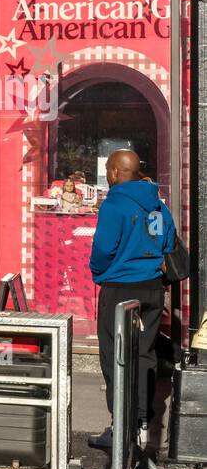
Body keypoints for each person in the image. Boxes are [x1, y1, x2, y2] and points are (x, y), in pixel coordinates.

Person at [87, 149, 176, 449]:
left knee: (116, 357)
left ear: (113, 172)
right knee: (145, 354)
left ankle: (120, 427)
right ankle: (140, 425)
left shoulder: (115, 204)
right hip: (152, 288)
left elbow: (102, 248)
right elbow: (168, 241)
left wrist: (99, 272)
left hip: (120, 288)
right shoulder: (158, 205)